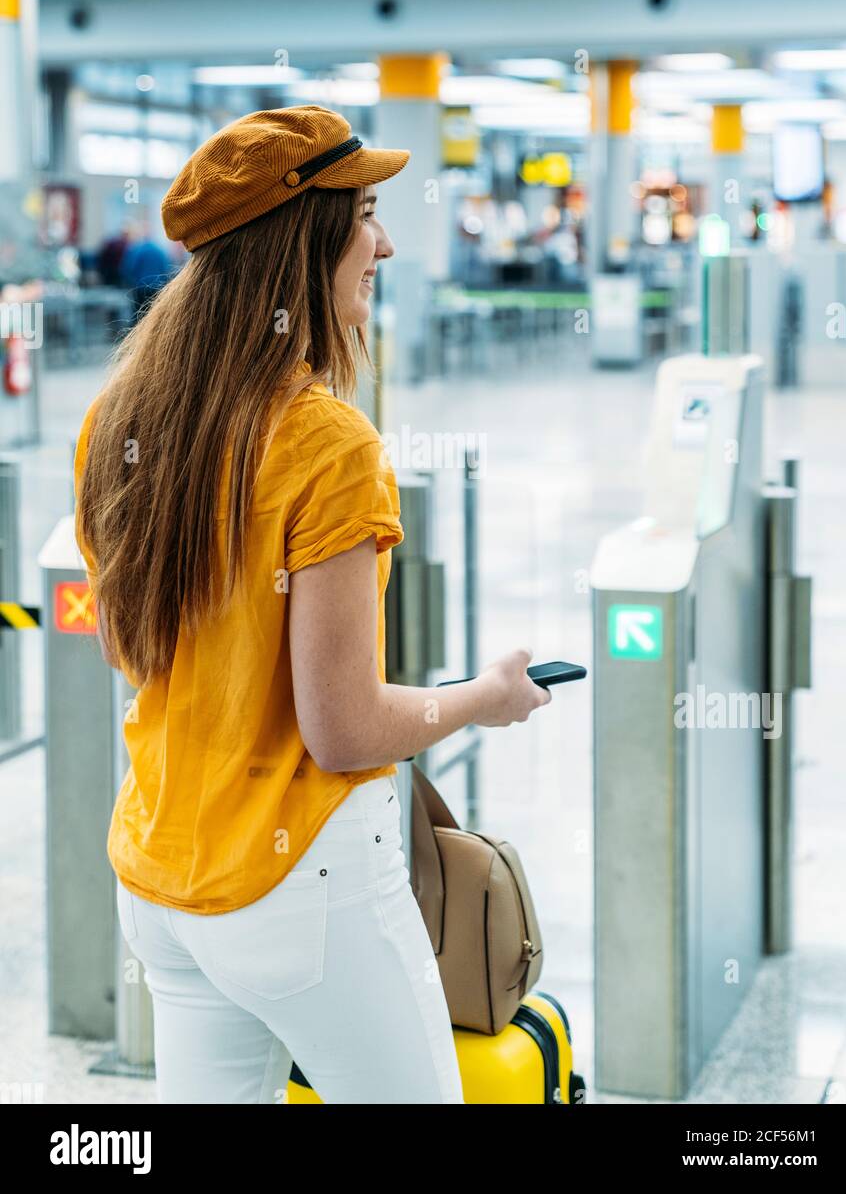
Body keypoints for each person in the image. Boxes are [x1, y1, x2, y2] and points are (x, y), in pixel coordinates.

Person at [73, 105, 551, 1106]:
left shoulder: (116, 420)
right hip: (305, 894)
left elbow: (130, 646)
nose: (381, 244)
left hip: (162, 878)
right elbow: (341, 731)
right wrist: (481, 695)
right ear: (303, 239)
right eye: (365, 214)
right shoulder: (326, 443)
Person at [118, 218, 175, 317]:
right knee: (155, 316)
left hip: (140, 289)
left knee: (139, 318)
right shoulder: (160, 250)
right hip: (157, 288)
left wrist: (131, 283)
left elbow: (127, 269)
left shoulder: (136, 249)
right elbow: (167, 270)